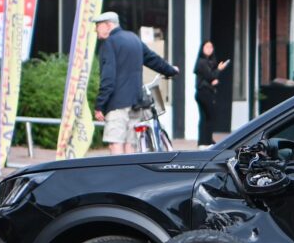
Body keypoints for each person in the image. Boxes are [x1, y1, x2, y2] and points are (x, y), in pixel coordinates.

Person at [92, 12, 179, 154]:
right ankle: (129, 175)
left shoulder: (109, 43)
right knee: (130, 144)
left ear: (108, 25)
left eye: (98, 25)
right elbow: (153, 60)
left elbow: (108, 78)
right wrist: (171, 71)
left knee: (116, 143)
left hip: (117, 105)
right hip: (136, 103)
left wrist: (100, 105)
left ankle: (118, 176)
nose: (95, 29)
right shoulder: (134, 39)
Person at [194, 41, 228, 147]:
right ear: (202, 48)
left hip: (207, 91)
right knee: (207, 116)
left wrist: (214, 79)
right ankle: (205, 141)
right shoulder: (202, 62)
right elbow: (210, 76)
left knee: (207, 117)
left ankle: (206, 140)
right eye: (207, 47)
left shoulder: (209, 61)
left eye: (211, 47)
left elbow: (211, 77)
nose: (209, 49)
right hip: (203, 93)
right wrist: (219, 69)